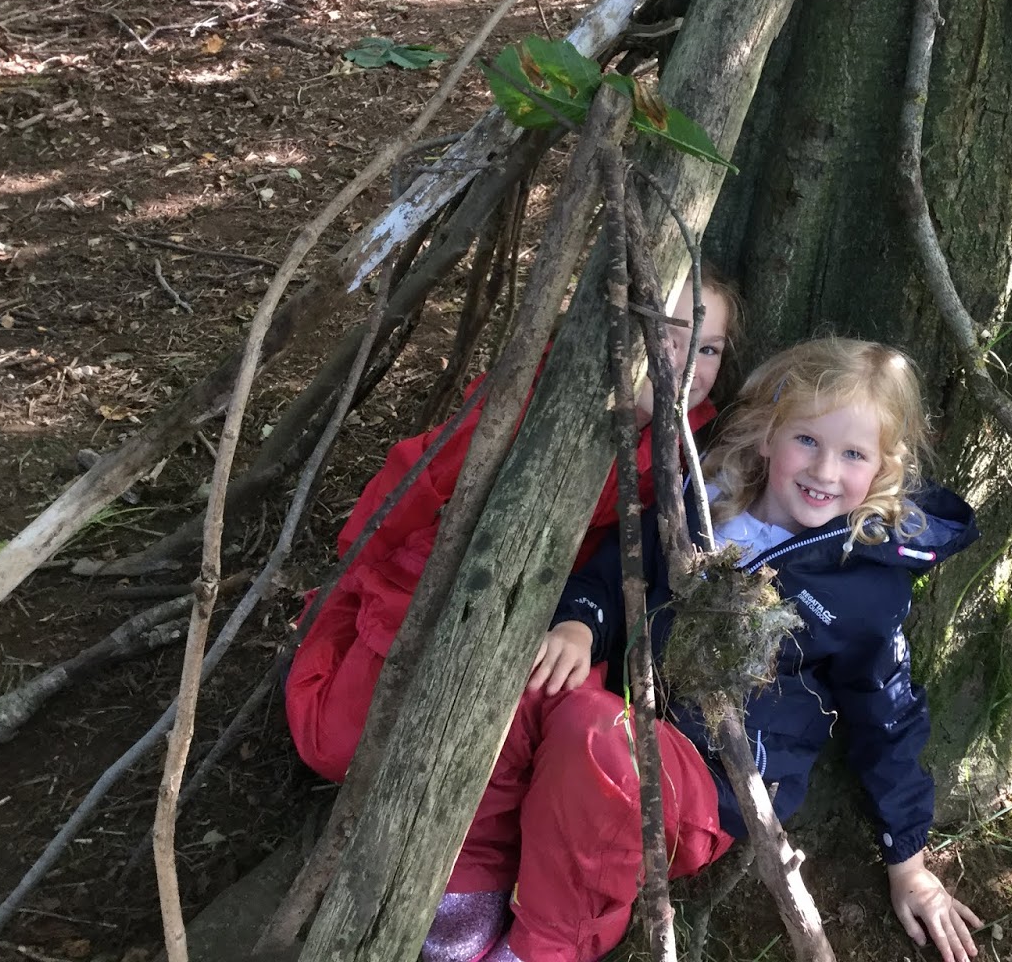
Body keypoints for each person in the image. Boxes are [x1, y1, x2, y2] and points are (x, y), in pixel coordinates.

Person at [436, 337, 984, 962]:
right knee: (532, 683)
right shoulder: (703, 505)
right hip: (614, 708)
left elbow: (886, 716)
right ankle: (465, 894)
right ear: (766, 436)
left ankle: (547, 946)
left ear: (885, 467)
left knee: (600, 746)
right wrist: (580, 623)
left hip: (707, 783)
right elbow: (619, 567)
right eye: (807, 440)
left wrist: (908, 862)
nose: (826, 471)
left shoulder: (865, 583)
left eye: (854, 454)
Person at [283, 274, 737, 792]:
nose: (682, 364)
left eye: (706, 348)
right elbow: (419, 481)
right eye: (664, 336)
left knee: (513, 737)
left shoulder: (691, 447)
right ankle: (322, 658)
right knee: (338, 746)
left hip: (560, 605)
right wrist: (356, 573)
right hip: (457, 569)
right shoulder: (537, 398)